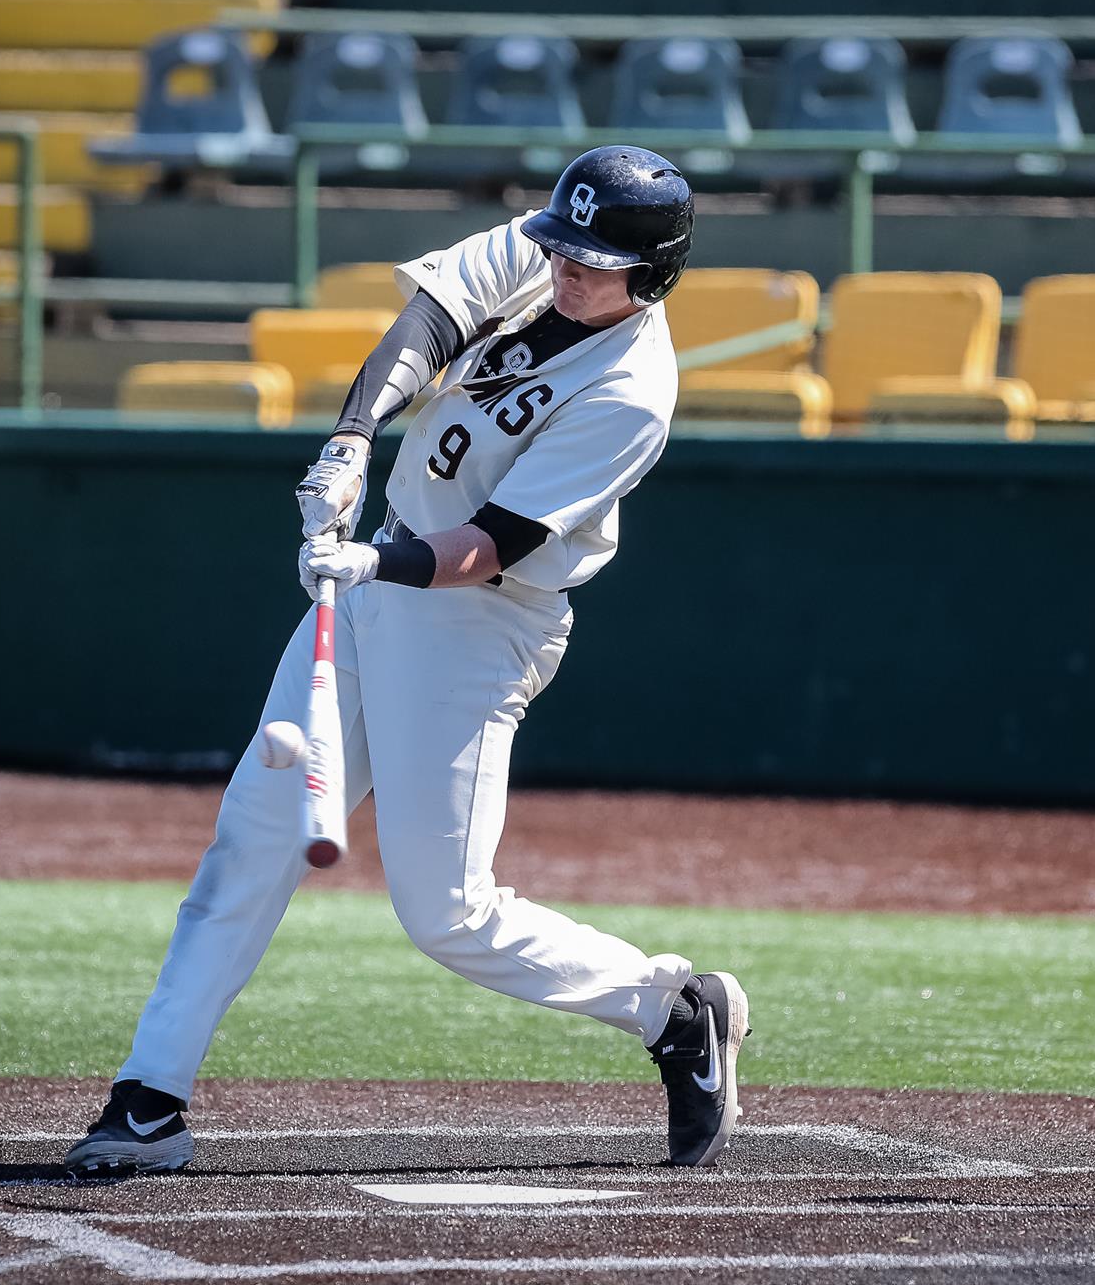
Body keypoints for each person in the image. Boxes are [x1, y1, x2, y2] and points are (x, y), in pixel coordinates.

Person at [63, 145, 749, 1174]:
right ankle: (148, 1099)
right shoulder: (541, 248)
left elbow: (493, 545)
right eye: (563, 243)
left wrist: (369, 555)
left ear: (651, 274)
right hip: (382, 575)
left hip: (480, 619)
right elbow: (427, 322)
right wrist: (348, 442)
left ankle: (672, 1007)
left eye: (594, 260)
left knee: (447, 914)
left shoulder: (630, 390)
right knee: (254, 838)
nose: (565, 266)